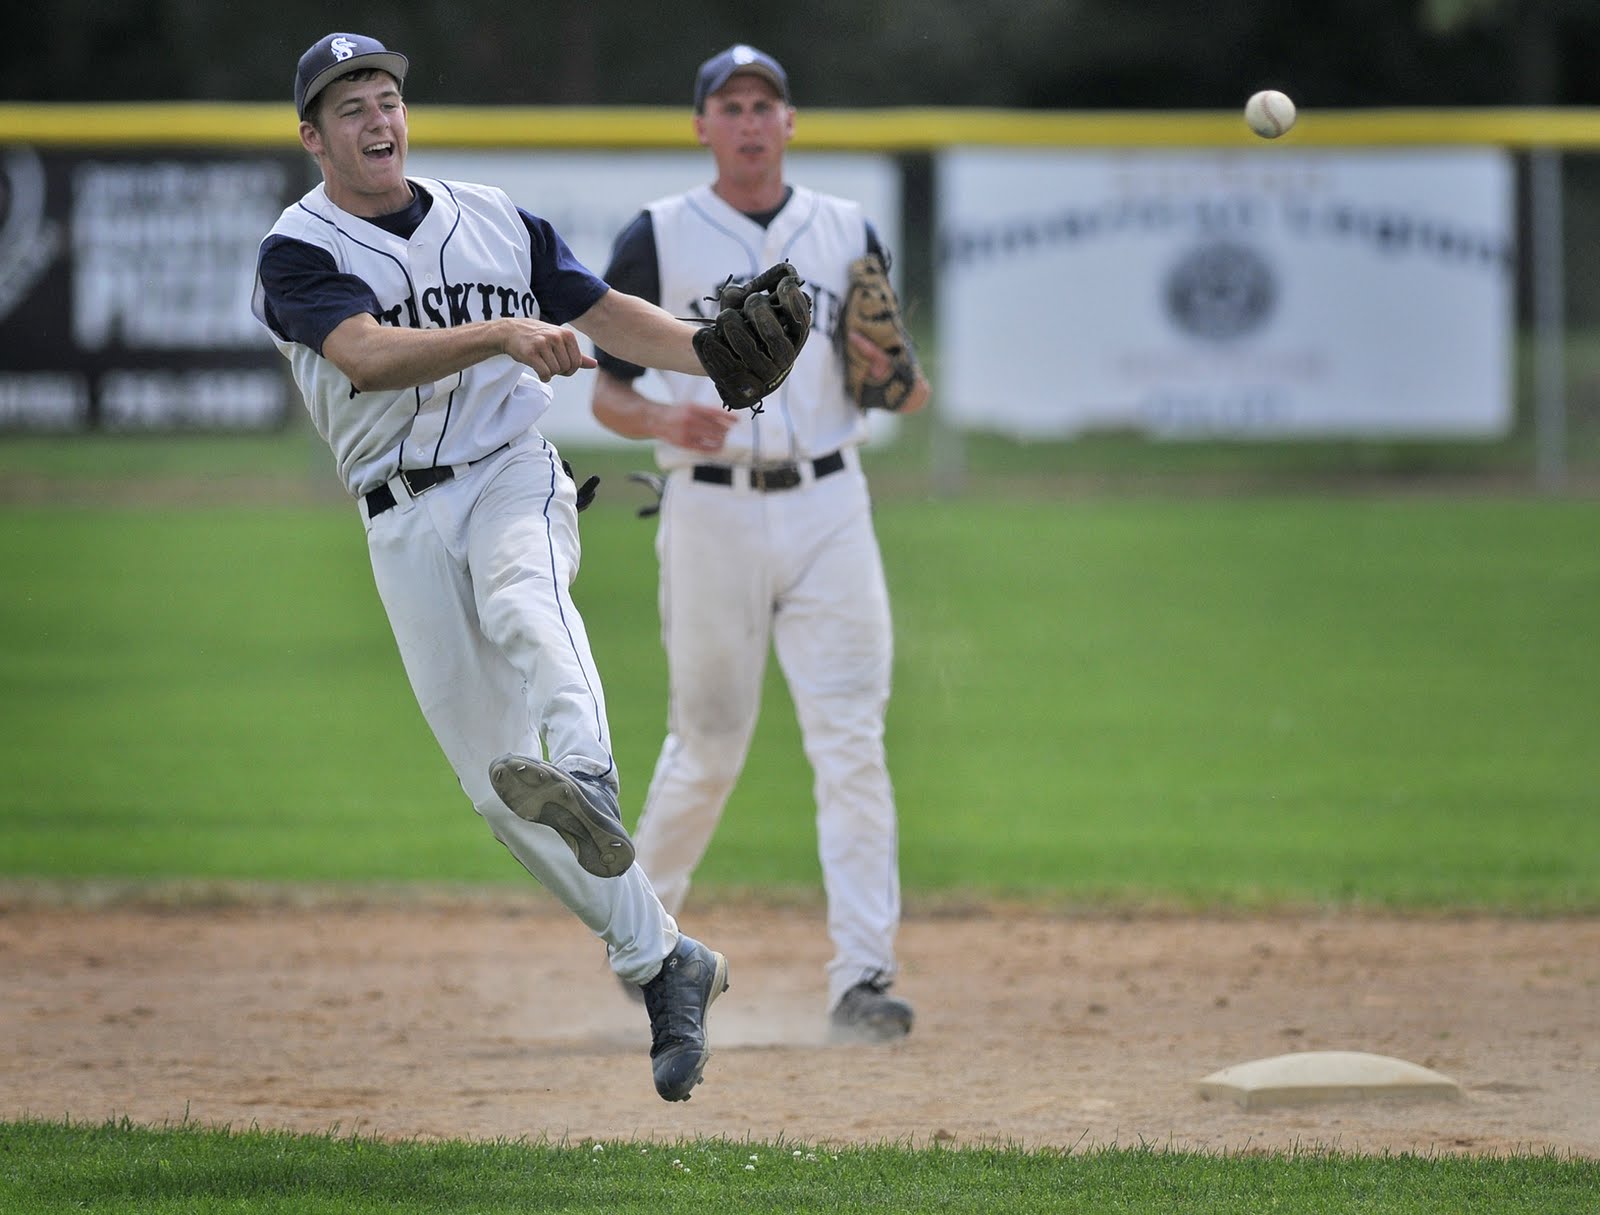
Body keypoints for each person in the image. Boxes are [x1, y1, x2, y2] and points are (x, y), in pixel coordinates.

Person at [250, 31, 786, 1102]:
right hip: (396, 519)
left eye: (388, 97)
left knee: (524, 601)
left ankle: (589, 770)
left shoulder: (495, 216)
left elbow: (601, 313)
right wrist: (499, 332)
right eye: (350, 106)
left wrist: (710, 350)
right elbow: (360, 354)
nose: (378, 118)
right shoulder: (296, 250)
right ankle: (665, 963)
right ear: (314, 138)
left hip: (507, 473)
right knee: (498, 788)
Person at [590, 44, 930, 1042]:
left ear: (789, 124)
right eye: (729, 105)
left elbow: (904, 390)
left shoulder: (847, 229)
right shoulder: (654, 236)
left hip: (832, 505)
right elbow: (607, 390)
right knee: (706, 749)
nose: (747, 121)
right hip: (708, 508)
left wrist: (894, 374)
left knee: (851, 742)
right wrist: (662, 423)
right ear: (701, 125)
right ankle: (637, 941)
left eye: (764, 105)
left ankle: (862, 977)